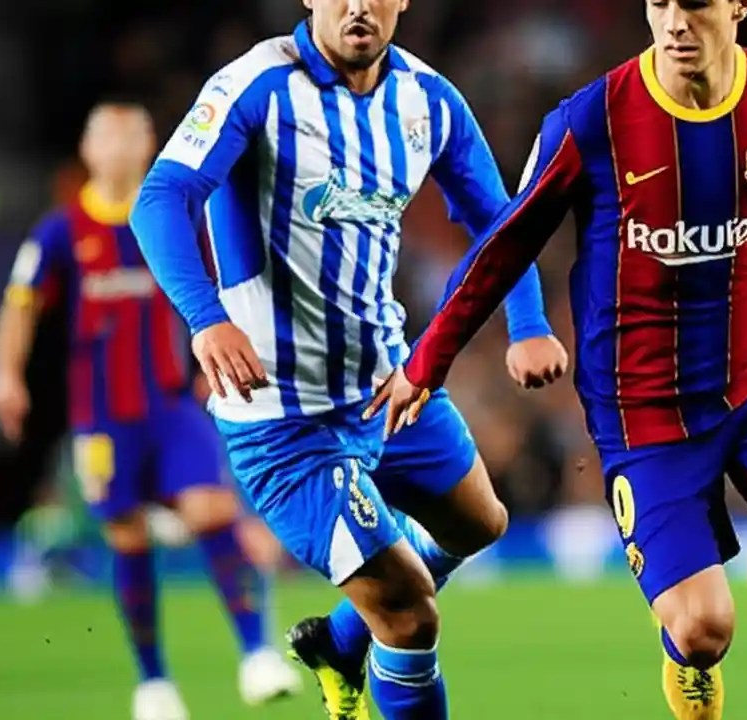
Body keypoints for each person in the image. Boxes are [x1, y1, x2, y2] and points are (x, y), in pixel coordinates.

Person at [369, 1, 747, 718]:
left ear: (738, 5)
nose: (673, 22)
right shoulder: (591, 119)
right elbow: (505, 244)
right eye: (659, 2)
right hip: (644, 417)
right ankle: (683, 652)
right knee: (704, 629)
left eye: (694, 4)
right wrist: (429, 359)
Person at [129, 1, 566, 718]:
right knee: (409, 614)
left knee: (480, 523)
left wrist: (528, 324)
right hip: (284, 419)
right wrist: (206, 319)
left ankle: (337, 641)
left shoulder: (429, 101)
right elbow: (161, 197)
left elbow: (503, 223)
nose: (358, 6)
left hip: (384, 389)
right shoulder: (256, 86)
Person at [0, 101, 301, 720]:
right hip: (102, 416)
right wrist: (4, 374)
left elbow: (236, 285)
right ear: (88, 149)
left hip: (173, 402)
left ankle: (256, 652)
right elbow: (20, 307)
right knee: (127, 538)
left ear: (153, 144)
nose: (122, 144)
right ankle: (154, 683)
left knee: (212, 510)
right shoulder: (63, 231)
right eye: (108, 133)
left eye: (134, 133)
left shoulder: (178, 217)